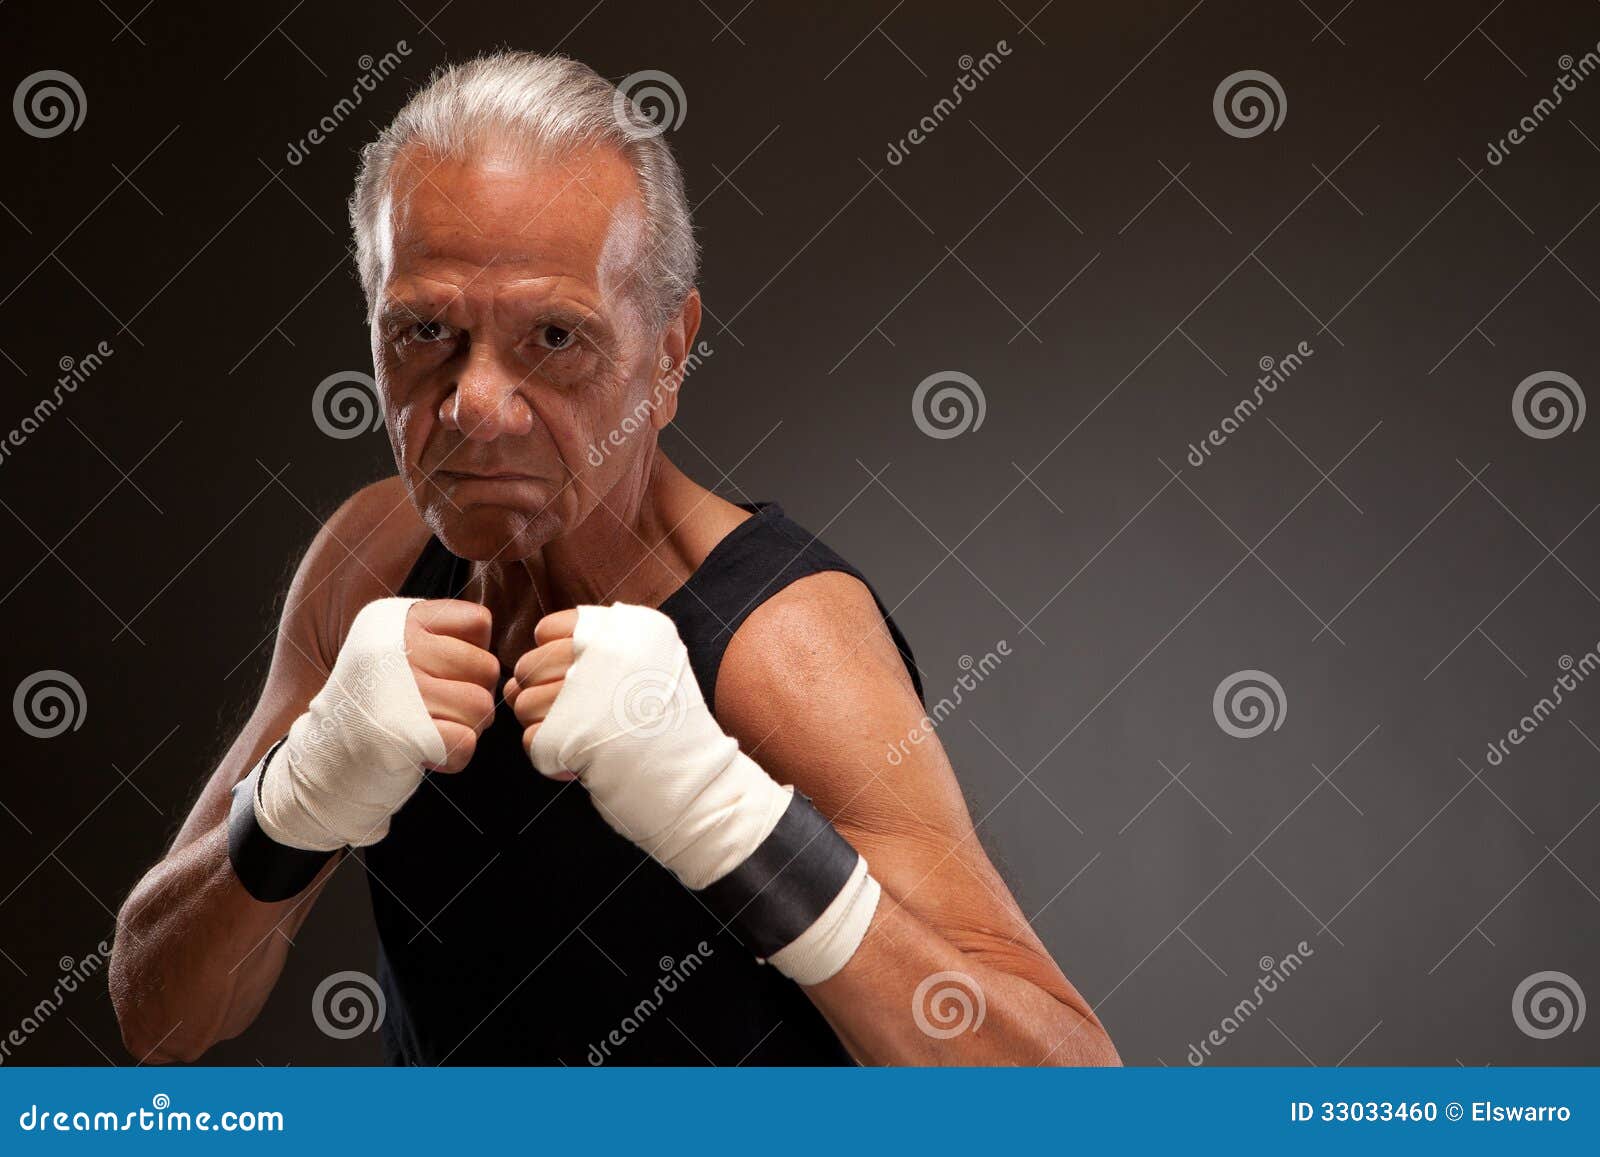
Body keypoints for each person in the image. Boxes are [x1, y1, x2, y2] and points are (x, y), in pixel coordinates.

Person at [108, 51, 1118, 1066]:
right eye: (425, 331)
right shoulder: (371, 559)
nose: (475, 406)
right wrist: (290, 803)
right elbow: (158, 1014)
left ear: (669, 355)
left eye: (554, 334)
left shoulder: (780, 643)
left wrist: (742, 829)